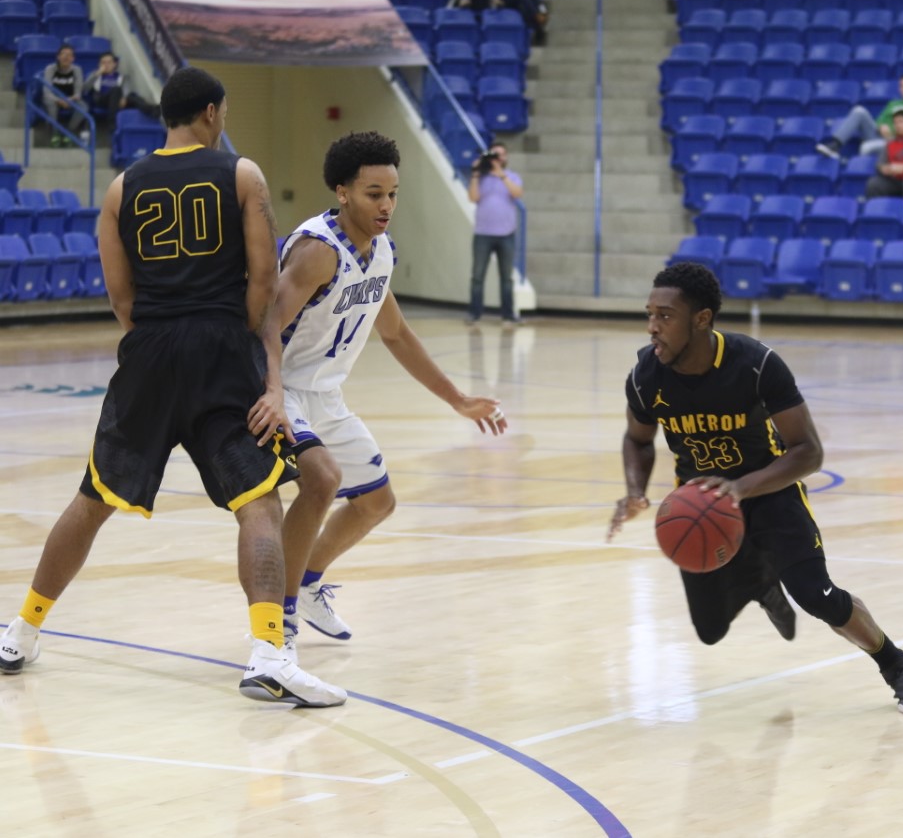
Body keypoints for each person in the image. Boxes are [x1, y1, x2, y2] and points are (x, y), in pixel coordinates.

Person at [0, 67, 345, 709]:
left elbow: (119, 296)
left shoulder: (120, 188)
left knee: (92, 498)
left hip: (150, 352)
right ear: (212, 112)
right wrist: (238, 349)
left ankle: (22, 632)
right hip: (222, 349)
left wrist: (158, 341)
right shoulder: (242, 174)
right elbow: (263, 283)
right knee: (260, 502)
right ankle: (269, 653)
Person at [607, 263, 903, 715]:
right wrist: (635, 491)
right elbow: (638, 439)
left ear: (701, 319)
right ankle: (761, 580)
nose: (652, 326)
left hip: (769, 489)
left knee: (815, 594)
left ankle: (896, 663)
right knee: (709, 630)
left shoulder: (755, 364)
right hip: (701, 504)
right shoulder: (646, 376)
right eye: (649, 314)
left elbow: (808, 452)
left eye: (665, 316)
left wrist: (740, 488)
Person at [275, 131, 508, 652]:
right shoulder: (317, 252)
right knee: (322, 482)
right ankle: (279, 619)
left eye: (393, 194)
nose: (386, 206)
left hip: (325, 396)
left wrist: (457, 399)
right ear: (342, 193)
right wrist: (267, 394)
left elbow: (397, 333)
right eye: (374, 194)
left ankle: (307, 584)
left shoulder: (379, 252)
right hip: (280, 389)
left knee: (376, 502)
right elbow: (264, 330)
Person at [466, 142, 525, 327]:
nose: (497, 158)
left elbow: (517, 193)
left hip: (507, 234)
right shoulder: (481, 178)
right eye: (494, 155)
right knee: (477, 276)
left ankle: (508, 315)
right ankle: (474, 314)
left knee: (506, 277)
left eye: (501, 155)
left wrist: (501, 175)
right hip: (483, 234)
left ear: (505, 157)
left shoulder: (512, 176)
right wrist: (476, 173)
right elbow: (473, 197)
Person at [815, 73, 903, 160]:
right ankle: (835, 144)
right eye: (902, 86)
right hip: (880, 136)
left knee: (866, 147)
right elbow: (879, 121)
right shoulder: (894, 103)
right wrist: (882, 127)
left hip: (901, 142)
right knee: (859, 111)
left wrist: (895, 134)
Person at [84, 52, 162, 127]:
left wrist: (124, 98)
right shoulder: (96, 75)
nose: (106, 65)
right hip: (102, 99)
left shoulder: (121, 77)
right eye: (103, 63)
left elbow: (126, 90)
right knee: (116, 89)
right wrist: (98, 73)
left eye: (109, 62)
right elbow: (85, 88)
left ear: (114, 64)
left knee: (133, 97)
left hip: (117, 100)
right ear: (99, 64)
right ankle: (112, 123)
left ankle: (153, 110)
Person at [42, 45, 88, 147]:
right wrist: (58, 100)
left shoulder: (77, 70)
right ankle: (55, 132)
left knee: (83, 106)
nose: (66, 57)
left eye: (69, 55)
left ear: (73, 58)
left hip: (70, 99)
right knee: (50, 103)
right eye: (63, 54)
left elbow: (78, 92)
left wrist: (68, 100)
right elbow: (47, 92)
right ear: (58, 57)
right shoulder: (50, 69)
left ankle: (69, 131)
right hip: (53, 99)